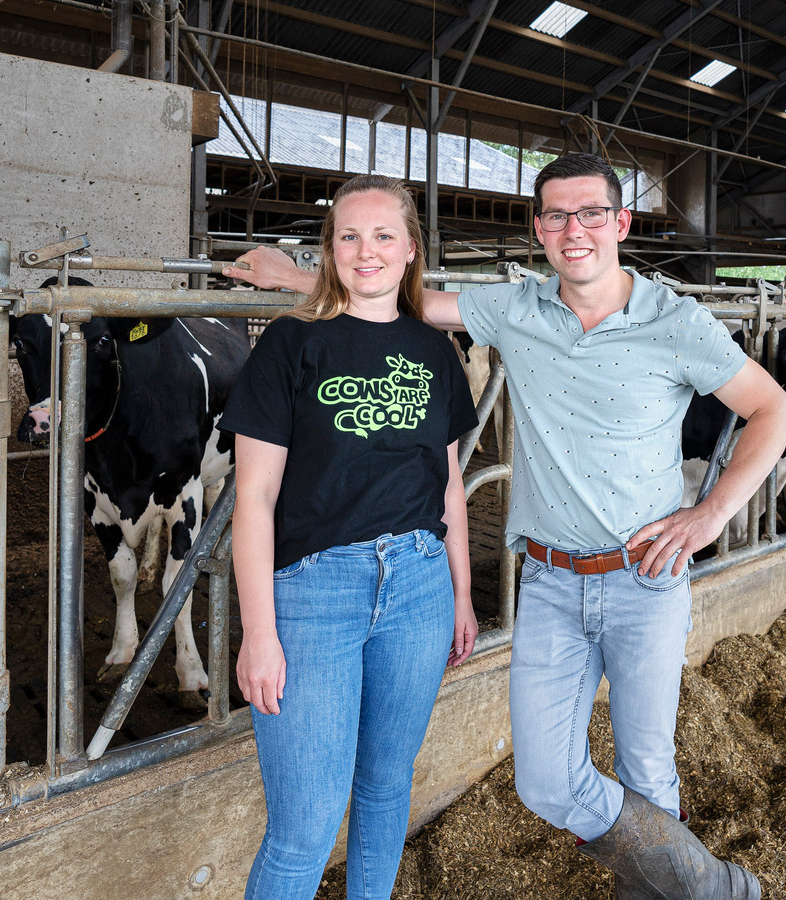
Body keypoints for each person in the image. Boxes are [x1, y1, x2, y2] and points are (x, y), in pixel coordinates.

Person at [225, 153, 786, 898]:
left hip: (643, 576)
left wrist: (710, 512)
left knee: (647, 767)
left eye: (591, 213)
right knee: (539, 781)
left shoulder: (676, 321)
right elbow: (394, 296)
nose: (573, 229)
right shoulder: (516, 311)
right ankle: (696, 880)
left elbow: (774, 408)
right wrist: (294, 279)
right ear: (538, 229)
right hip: (547, 581)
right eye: (555, 215)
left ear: (621, 223)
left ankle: (688, 888)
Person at [223, 174, 479, 899]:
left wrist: (461, 596)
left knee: (384, 787)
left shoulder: (435, 351)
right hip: (313, 595)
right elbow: (254, 496)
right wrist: (258, 631)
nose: (366, 252)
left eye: (382, 235)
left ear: (409, 251)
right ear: (330, 251)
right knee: (303, 827)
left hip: (420, 585)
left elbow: (449, 484)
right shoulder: (291, 344)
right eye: (349, 236)